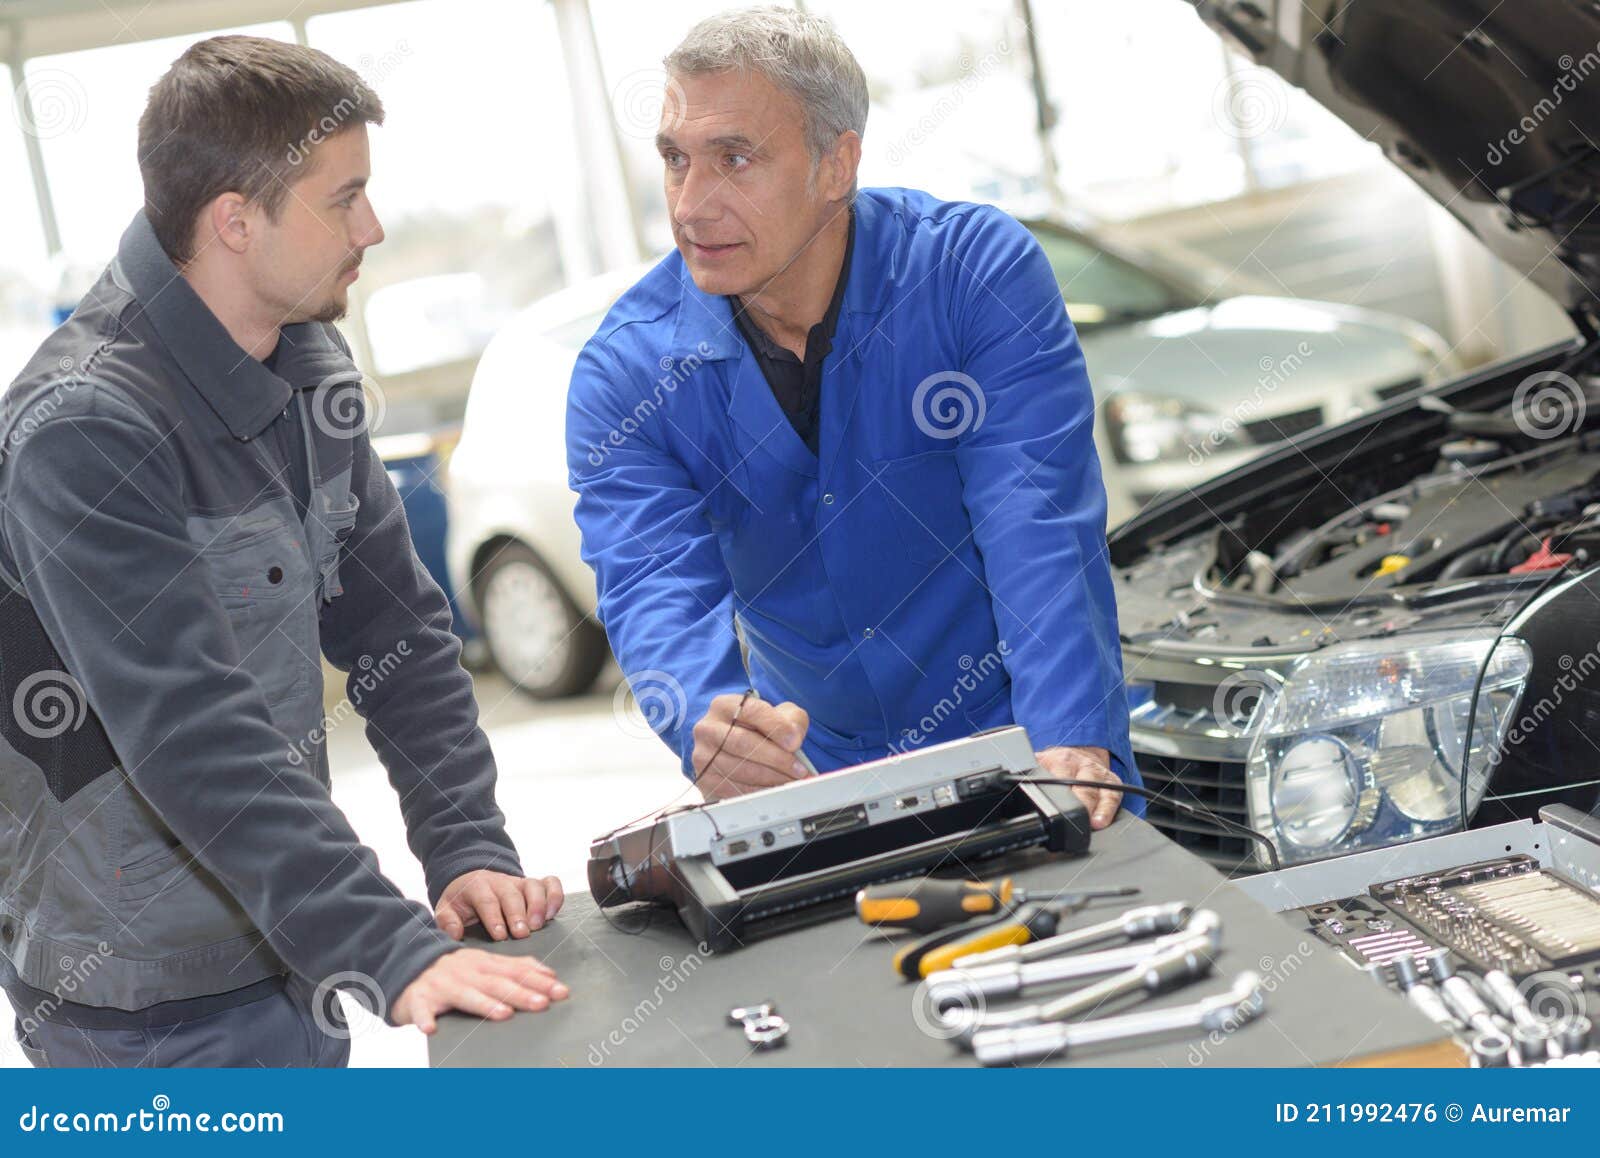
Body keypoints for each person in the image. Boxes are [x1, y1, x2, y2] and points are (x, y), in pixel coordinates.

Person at [0, 35, 566, 1069]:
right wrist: (391, 949)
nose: (375, 227)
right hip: (141, 1014)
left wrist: (465, 844)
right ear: (234, 219)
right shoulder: (84, 430)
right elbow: (188, 729)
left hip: (286, 952)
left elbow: (399, 630)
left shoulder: (308, 364)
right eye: (343, 198)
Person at [567, 7, 1139, 823]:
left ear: (836, 164)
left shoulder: (972, 275)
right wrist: (708, 720)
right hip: (812, 774)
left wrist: (1071, 741)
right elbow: (652, 581)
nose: (691, 206)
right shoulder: (627, 375)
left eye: (735, 159)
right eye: (674, 159)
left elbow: (1036, 523)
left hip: (1025, 736)